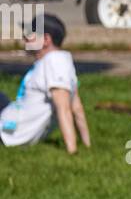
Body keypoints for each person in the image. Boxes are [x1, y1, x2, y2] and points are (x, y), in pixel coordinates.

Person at [0, 12, 90, 154]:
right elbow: (77, 108)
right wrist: (87, 145)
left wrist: (72, 151)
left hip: (9, 132)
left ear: (46, 39)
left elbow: (64, 109)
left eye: (30, 33)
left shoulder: (54, 63)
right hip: (10, 122)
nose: (24, 37)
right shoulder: (61, 61)